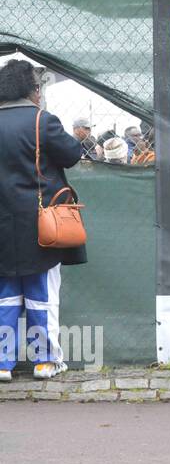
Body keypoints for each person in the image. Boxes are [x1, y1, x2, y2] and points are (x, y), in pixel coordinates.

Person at [0, 60, 87, 382]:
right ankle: (45, 361)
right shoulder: (42, 121)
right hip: (42, 226)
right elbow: (72, 155)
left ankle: (3, 364)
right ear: (33, 90)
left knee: (5, 295)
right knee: (41, 295)